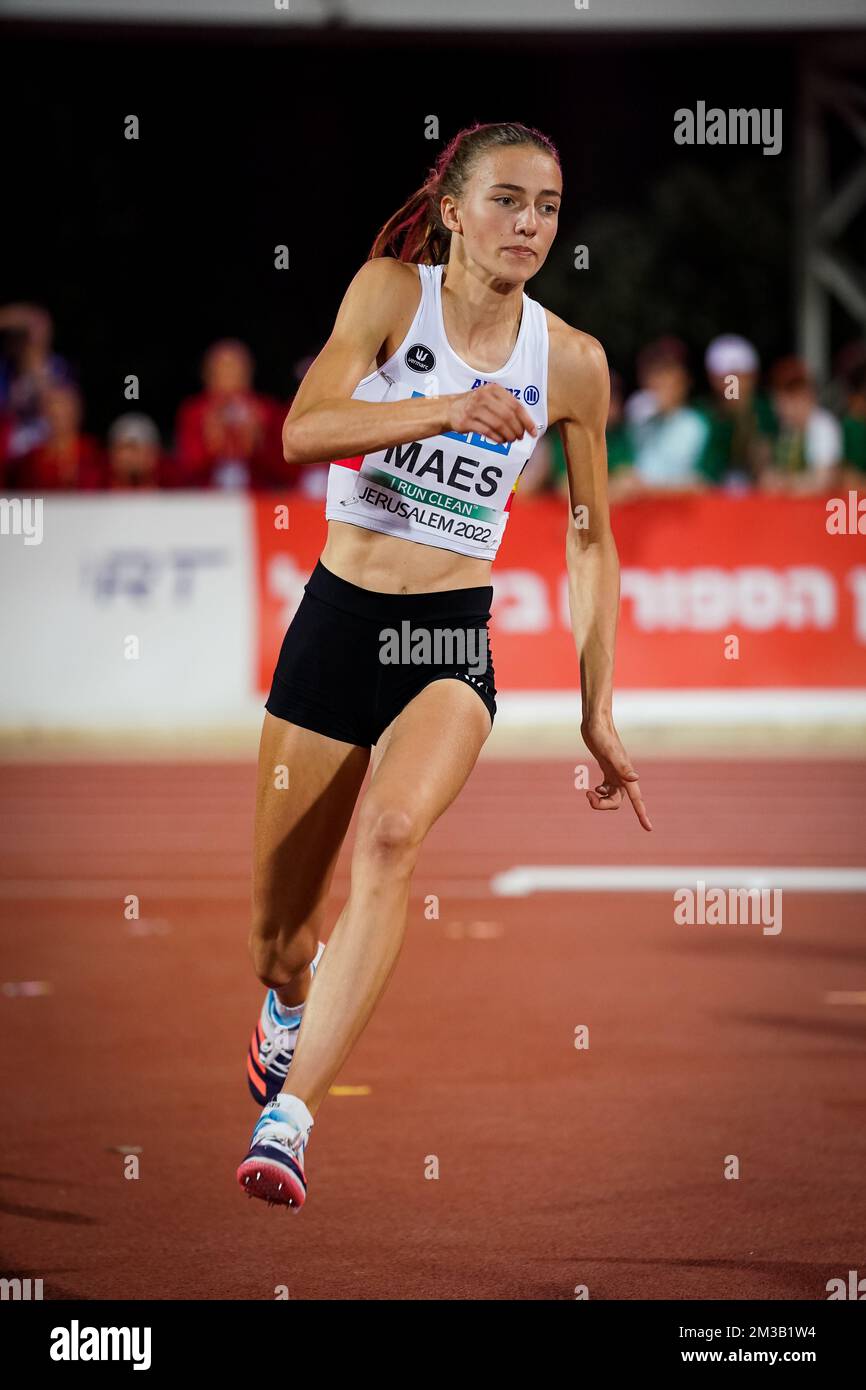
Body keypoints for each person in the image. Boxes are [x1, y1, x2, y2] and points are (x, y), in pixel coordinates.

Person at [236, 121, 652, 1212]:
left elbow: (587, 535)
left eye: (549, 207)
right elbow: (303, 429)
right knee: (278, 938)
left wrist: (595, 707)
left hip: (443, 641)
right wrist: (439, 407)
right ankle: (285, 1007)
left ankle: (290, 1120)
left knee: (389, 836)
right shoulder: (388, 294)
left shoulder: (571, 362)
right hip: (335, 623)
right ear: (454, 210)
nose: (529, 223)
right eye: (508, 200)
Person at [172, 338, 283, 489]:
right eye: (223, 370)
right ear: (209, 375)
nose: (230, 376)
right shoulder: (193, 411)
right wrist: (211, 444)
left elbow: (284, 469)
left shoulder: (266, 409)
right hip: (205, 497)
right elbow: (184, 468)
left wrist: (258, 443)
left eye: (235, 369)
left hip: (258, 496)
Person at [613, 338, 709, 496]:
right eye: (652, 372)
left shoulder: (702, 424)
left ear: (685, 378)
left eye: (666, 372)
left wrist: (646, 489)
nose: (658, 381)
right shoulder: (639, 426)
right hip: (643, 517)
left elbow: (705, 484)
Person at [695, 334, 776, 488]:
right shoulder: (703, 414)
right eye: (727, 377)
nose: (734, 385)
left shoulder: (766, 412)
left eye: (740, 376)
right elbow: (706, 475)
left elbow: (766, 466)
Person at [763, 356, 842, 494]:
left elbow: (822, 482)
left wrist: (784, 482)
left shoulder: (823, 426)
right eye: (782, 396)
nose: (785, 404)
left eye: (793, 395)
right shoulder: (786, 429)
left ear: (808, 394)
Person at [11, 383, 104, 491]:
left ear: (78, 411)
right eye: (53, 407)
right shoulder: (32, 459)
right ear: (44, 413)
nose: (59, 413)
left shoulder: (94, 452)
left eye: (66, 407)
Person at [106, 413, 163, 490]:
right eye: (126, 447)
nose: (131, 457)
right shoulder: (95, 489)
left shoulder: (172, 486)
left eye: (136, 449)